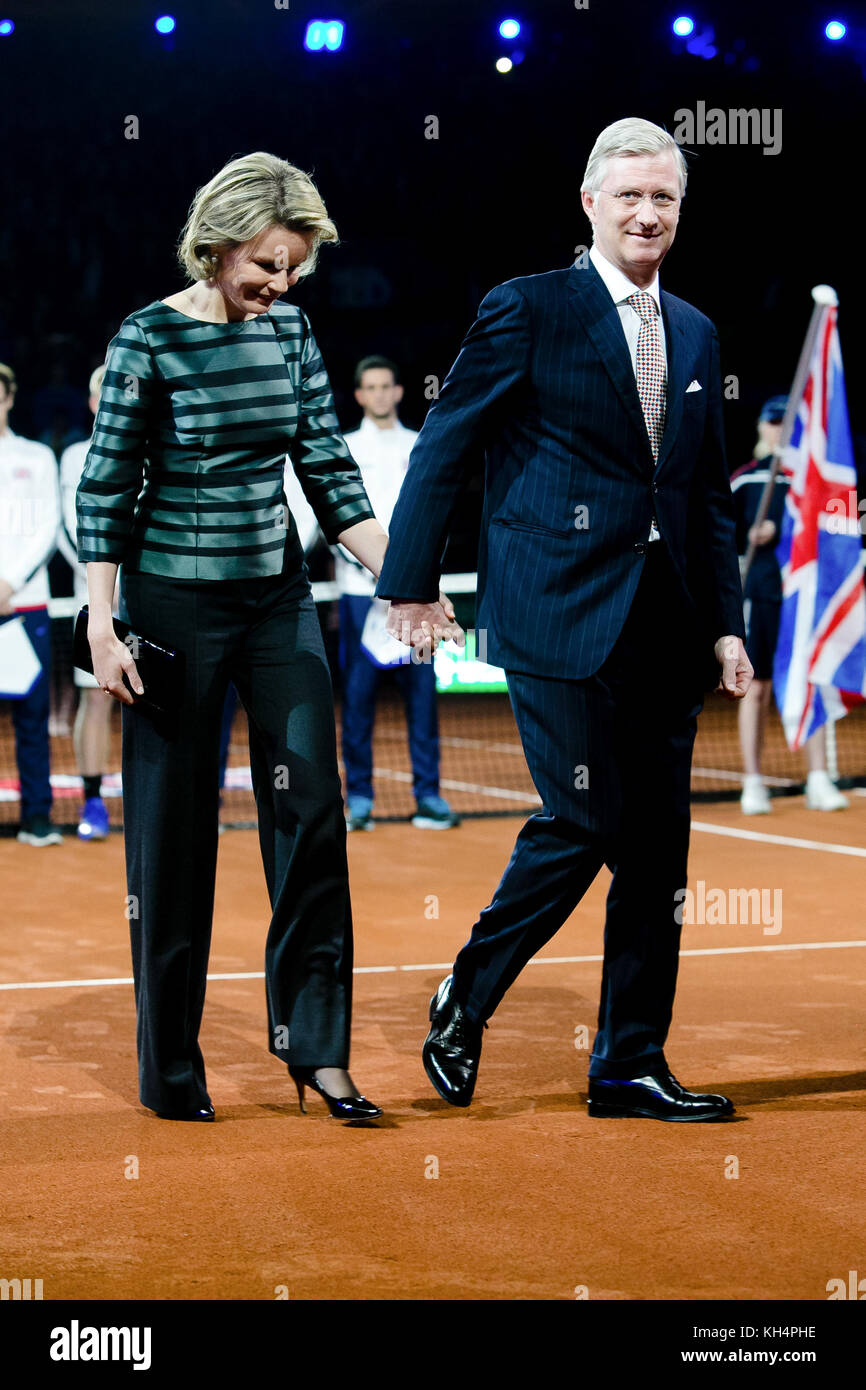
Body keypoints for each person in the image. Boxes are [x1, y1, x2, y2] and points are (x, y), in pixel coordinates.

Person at [377, 117, 753, 1123]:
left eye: (663, 197)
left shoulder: (698, 332)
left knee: (656, 854)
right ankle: (468, 990)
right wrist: (409, 584)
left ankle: (627, 1061)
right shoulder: (526, 308)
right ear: (588, 202)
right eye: (627, 194)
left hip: (666, 628)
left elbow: (703, 495)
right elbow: (445, 447)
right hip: (551, 610)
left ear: (678, 209)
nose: (645, 213)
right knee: (582, 818)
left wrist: (725, 622)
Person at [75, 152, 433, 1123]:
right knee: (171, 843)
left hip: (277, 604)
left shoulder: (291, 334)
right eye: (266, 265)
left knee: (313, 815)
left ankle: (315, 1051)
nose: (279, 285)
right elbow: (104, 493)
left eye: (294, 271)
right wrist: (101, 622)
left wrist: (401, 579)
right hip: (168, 611)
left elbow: (327, 470)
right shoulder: (148, 337)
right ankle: (171, 1069)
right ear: (217, 241)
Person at [337, 356, 459, 831]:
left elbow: (434, 517)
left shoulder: (420, 445)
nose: (381, 393)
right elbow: (340, 520)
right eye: (371, 387)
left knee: (421, 701)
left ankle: (428, 796)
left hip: (419, 597)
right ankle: (361, 800)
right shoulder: (345, 448)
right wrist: (380, 576)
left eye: (388, 385)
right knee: (358, 701)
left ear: (399, 391)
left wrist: (413, 578)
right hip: (357, 595)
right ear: (361, 395)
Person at [731, 396, 848, 814]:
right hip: (760, 596)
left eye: (787, 423)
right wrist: (750, 536)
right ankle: (753, 782)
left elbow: (839, 526)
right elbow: (717, 537)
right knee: (756, 688)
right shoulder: (745, 480)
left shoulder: (812, 479)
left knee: (811, 682)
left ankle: (818, 777)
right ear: (761, 428)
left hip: (804, 598)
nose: (780, 429)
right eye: (773, 422)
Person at [0, 362, 63, 846]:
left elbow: (47, 526)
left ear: (9, 398)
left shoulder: (38, 457)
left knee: (32, 717)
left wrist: (11, 582)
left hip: (27, 605)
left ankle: (37, 817)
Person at [58, 364, 116, 840]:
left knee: (156, 702)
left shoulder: (161, 445)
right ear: (93, 402)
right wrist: (100, 579)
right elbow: (69, 529)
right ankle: (93, 800)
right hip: (94, 597)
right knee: (94, 701)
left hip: (155, 594)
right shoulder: (76, 455)